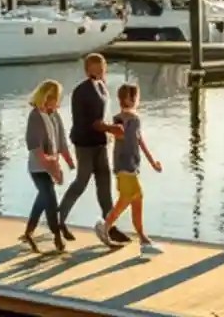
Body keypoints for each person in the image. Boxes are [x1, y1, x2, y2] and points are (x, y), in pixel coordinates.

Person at [56, 53, 130, 243]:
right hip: (85, 143)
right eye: (96, 68)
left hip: (100, 142)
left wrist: (114, 125)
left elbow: (103, 116)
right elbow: (93, 122)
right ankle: (59, 218)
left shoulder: (101, 87)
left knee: (104, 183)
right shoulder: (83, 91)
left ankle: (110, 225)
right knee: (81, 181)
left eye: (102, 68)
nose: (100, 72)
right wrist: (112, 129)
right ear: (87, 69)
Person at [95, 83, 163, 254]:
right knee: (127, 198)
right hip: (124, 167)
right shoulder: (124, 119)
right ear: (128, 99)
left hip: (131, 166)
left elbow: (140, 141)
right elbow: (121, 136)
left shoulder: (132, 119)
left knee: (136, 199)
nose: (137, 100)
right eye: (135, 97)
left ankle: (142, 238)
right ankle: (106, 226)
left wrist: (153, 162)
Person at [21, 79, 75, 253]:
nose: (58, 101)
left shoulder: (53, 115)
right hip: (38, 168)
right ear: (47, 97)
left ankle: (28, 232)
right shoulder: (35, 116)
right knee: (50, 200)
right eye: (56, 98)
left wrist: (69, 161)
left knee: (43, 199)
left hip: (51, 165)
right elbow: (35, 146)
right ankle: (57, 236)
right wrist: (52, 167)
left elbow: (61, 140)